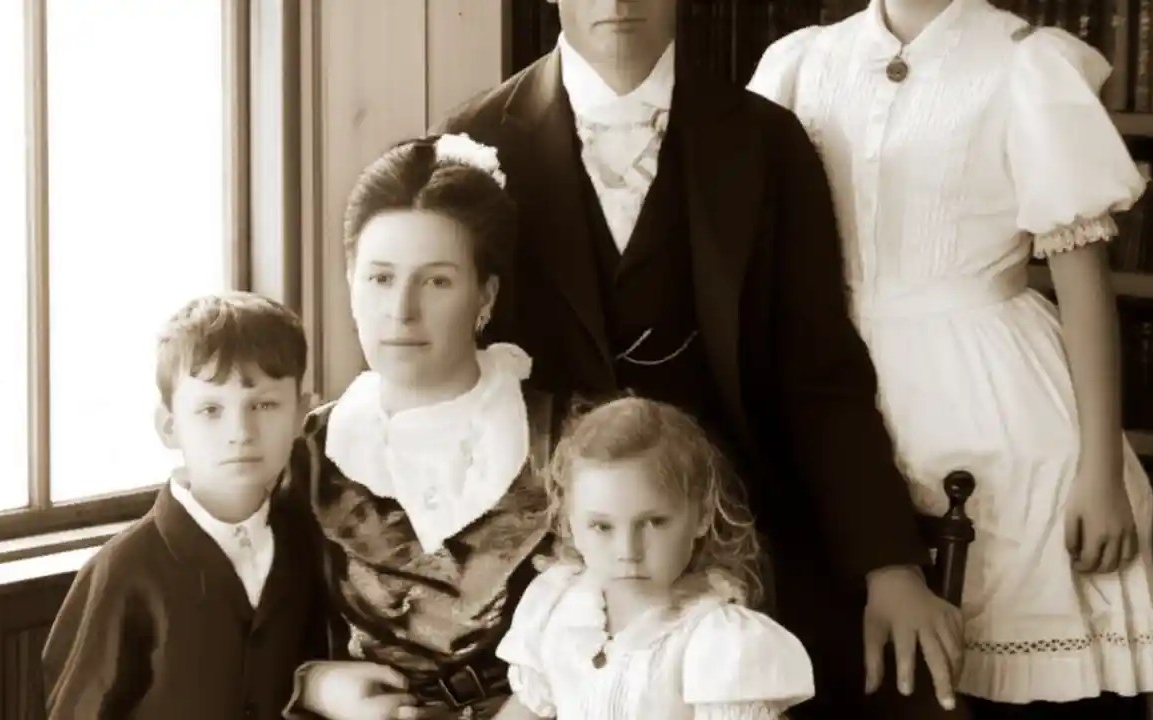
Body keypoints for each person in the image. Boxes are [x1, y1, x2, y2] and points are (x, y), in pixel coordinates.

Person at [433, 0, 962, 715]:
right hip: (548, 565)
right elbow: (446, 376)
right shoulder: (473, 144)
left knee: (893, 689)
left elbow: (821, 374)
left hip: (749, 550)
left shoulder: (769, 142)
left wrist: (888, 561)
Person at [747, 0, 1153, 715]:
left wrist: (1100, 472)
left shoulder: (1026, 63)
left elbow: (1084, 288)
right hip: (832, 396)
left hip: (1000, 410)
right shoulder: (802, 62)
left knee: (1003, 682)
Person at [284, 134, 568, 720]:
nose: (401, 311)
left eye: (436, 281)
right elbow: (238, 632)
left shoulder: (566, 441)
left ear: (485, 295)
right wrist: (312, 685)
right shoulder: (304, 454)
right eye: (380, 279)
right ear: (350, 282)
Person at [42, 292, 327, 719]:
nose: (241, 431)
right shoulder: (124, 570)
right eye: (211, 409)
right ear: (170, 426)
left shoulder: (309, 546)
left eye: (264, 404)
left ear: (301, 414)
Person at [492, 396, 815, 719]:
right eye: (602, 526)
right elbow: (526, 710)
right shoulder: (556, 608)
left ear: (702, 515)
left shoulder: (717, 642)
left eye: (653, 523)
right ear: (569, 522)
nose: (628, 552)